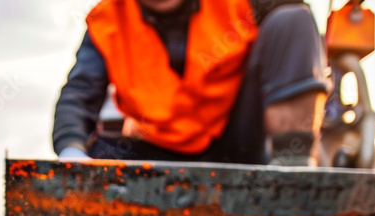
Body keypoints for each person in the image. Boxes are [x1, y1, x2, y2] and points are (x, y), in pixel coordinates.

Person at [53, 0, 332, 166]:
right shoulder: (109, 20)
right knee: (100, 161)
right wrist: (72, 151)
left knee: (293, 19)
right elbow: (78, 94)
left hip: (237, 139)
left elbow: (296, 28)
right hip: (152, 150)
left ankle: (292, 174)